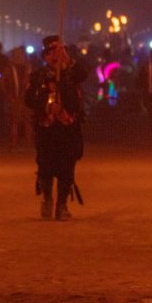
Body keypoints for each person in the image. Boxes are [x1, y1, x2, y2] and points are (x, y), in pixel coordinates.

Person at [25, 35, 89, 220]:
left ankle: (61, 206)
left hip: (68, 128)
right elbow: (29, 99)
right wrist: (46, 106)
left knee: (66, 167)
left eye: (59, 52)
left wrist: (67, 61)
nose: (56, 56)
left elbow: (84, 74)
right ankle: (47, 199)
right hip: (47, 128)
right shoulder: (38, 76)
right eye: (52, 53)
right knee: (45, 166)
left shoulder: (72, 73)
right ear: (45, 56)